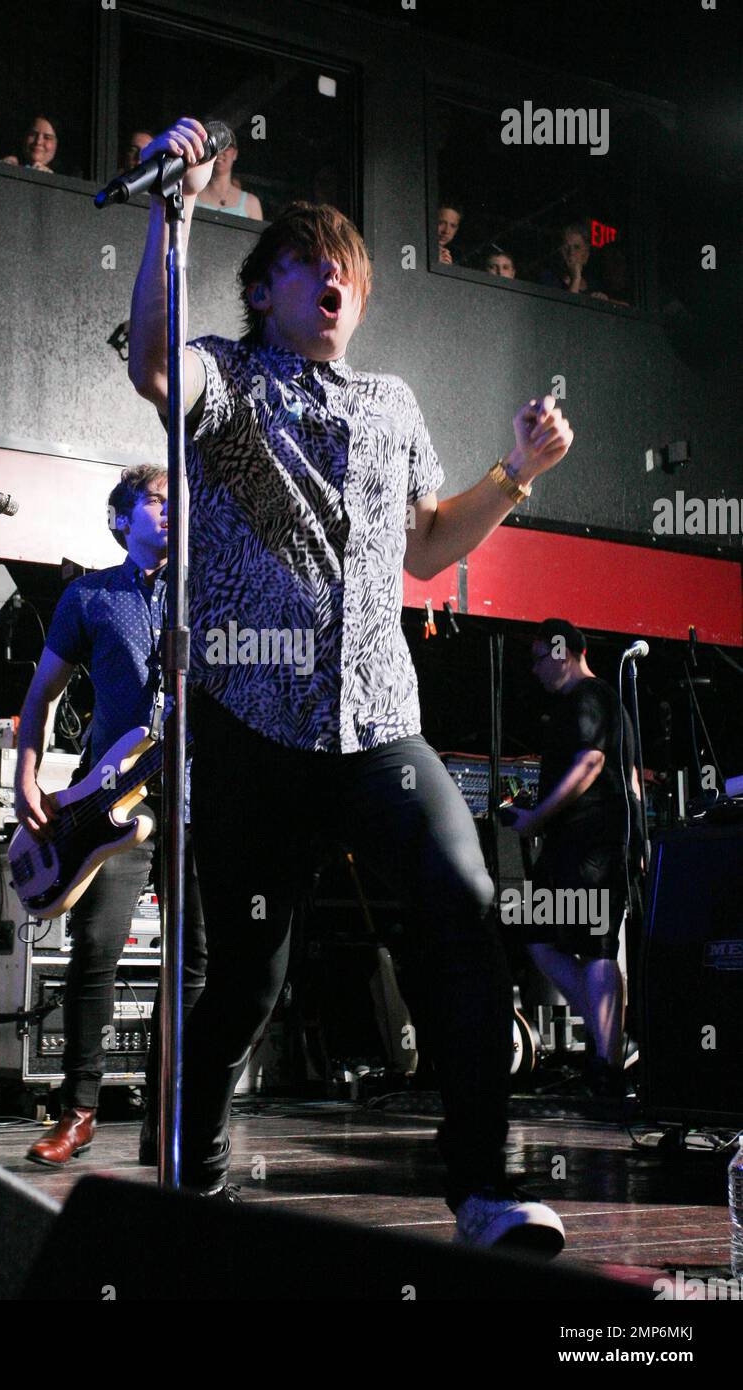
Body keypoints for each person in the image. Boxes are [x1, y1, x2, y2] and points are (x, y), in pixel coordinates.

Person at [128, 116, 575, 1255]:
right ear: (265, 290)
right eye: (310, 266)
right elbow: (152, 365)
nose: (336, 281)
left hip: (379, 724)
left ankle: (483, 1190)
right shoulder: (227, 377)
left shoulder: (393, 404)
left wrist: (516, 472)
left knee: (464, 915)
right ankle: (192, 1185)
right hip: (254, 726)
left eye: (350, 272)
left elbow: (426, 549)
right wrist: (175, 212)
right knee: (248, 979)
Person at [17, 465, 207, 1167]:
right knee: (97, 944)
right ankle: (79, 1111)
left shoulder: (210, 592)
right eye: (157, 501)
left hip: (198, 797)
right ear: (122, 520)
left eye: (178, 500)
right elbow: (42, 693)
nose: (172, 509)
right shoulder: (90, 595)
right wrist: (27, 771)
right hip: (113, 799)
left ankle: (167, 1116)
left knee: (193, 961)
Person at [507, 619, 642, 1099]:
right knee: (543, 937)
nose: (535, 669)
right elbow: (630, 777)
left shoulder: (588, 697)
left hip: (591, 844)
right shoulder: (602, 702)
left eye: (539, 658)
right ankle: (609, 1050)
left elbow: (592, 763)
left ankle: (607, 1063)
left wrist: (536, 818)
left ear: (562, 651)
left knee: (590, 946)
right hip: (587, 844)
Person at [195, 131, 262, 219]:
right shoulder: (192, 196)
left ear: (235, 154)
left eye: (226, 147)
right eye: (215, 147)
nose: (219, 152)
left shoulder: (251, 203)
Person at [540, 223, 600, 295]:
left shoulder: (594, 285)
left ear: (586, 254)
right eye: (566, 247)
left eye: (577, 247)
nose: (571, 252)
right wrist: (575, 279)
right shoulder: (549, 278)